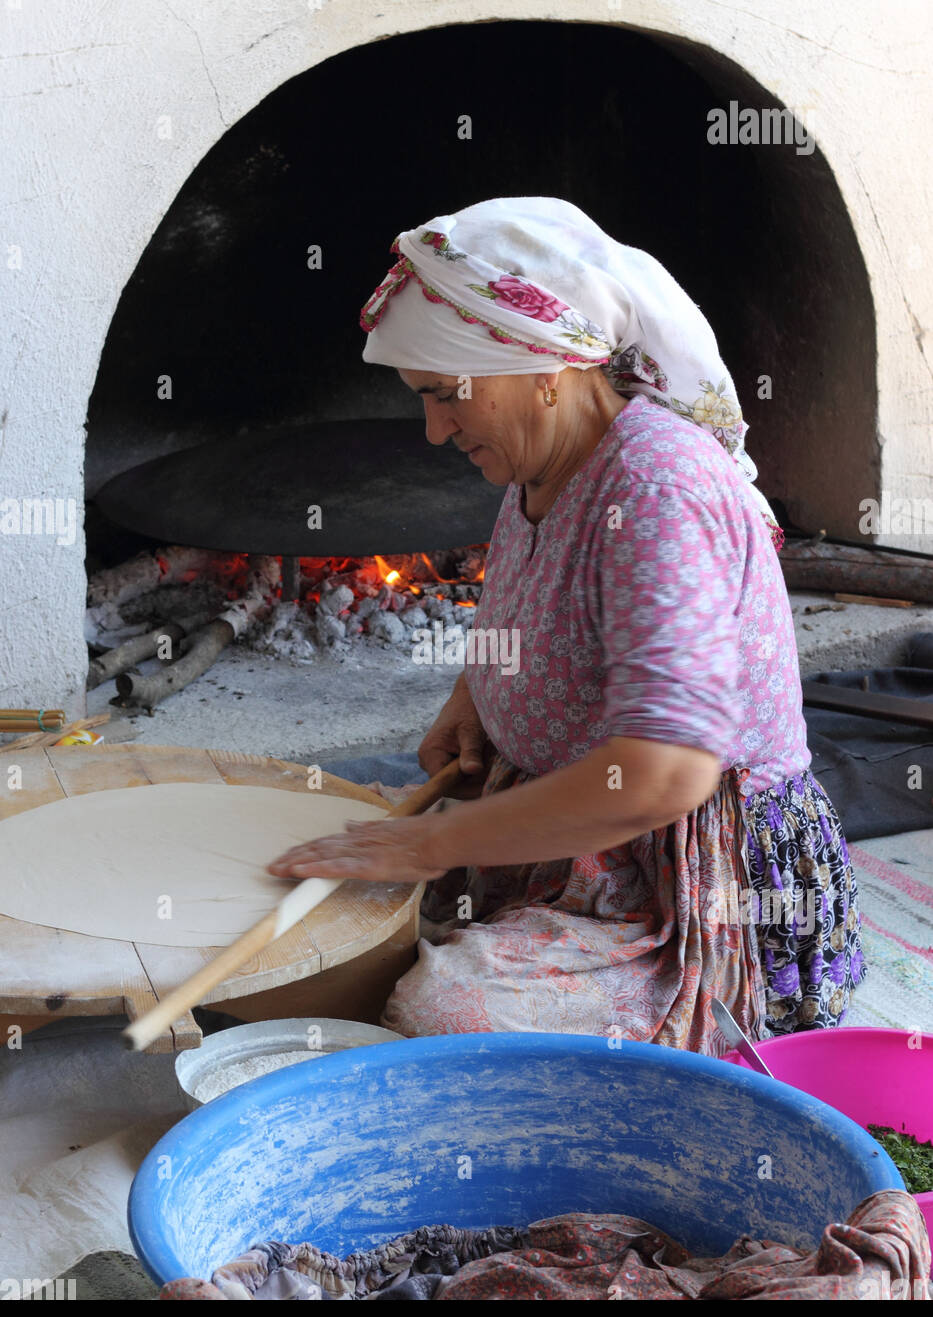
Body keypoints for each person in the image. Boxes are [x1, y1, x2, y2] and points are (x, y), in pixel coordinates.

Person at [268, 196, 864, 1053]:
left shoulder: (657, 491)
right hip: (584, 831)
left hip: (688, 881)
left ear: (541, 366)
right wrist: (475, 695)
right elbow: (543, 603)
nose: (434, 430)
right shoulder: (544, 459)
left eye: (444, 397)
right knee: (337, 910)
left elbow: (663, 776)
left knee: (440, 1014)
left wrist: (429, 844)